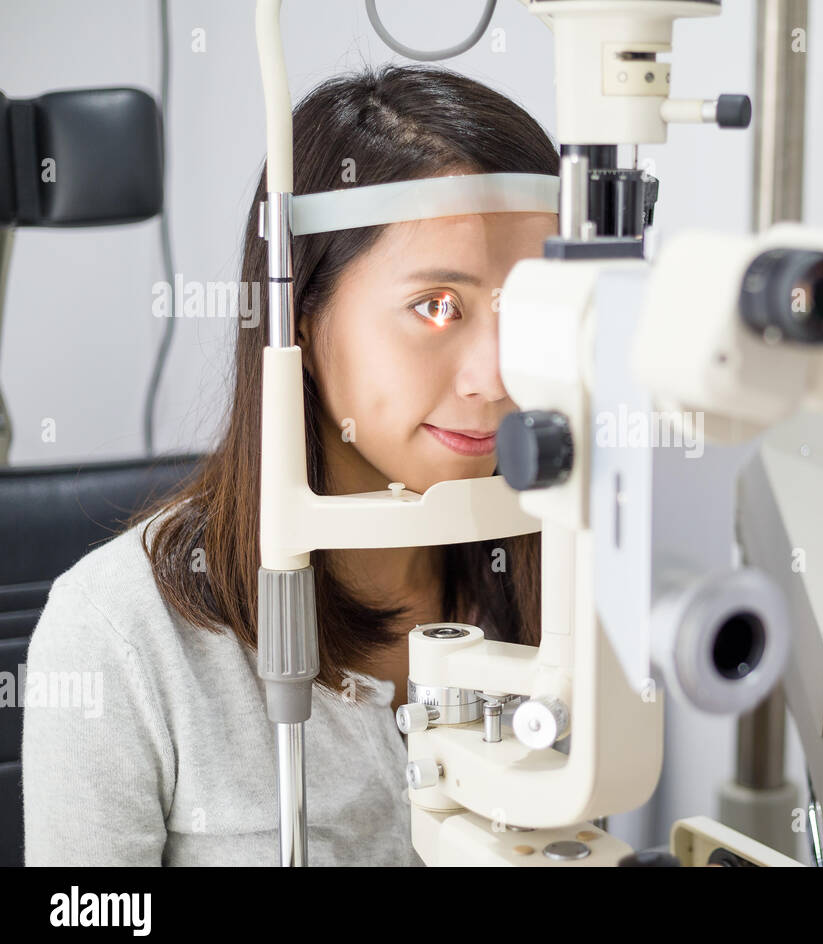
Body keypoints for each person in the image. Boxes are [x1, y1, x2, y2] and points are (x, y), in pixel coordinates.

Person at [21, 64, 556, 865]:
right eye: (436, 306)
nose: (497, 375)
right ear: (298, 319)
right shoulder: (122, 632)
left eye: (533, 305)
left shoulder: (560, 580)